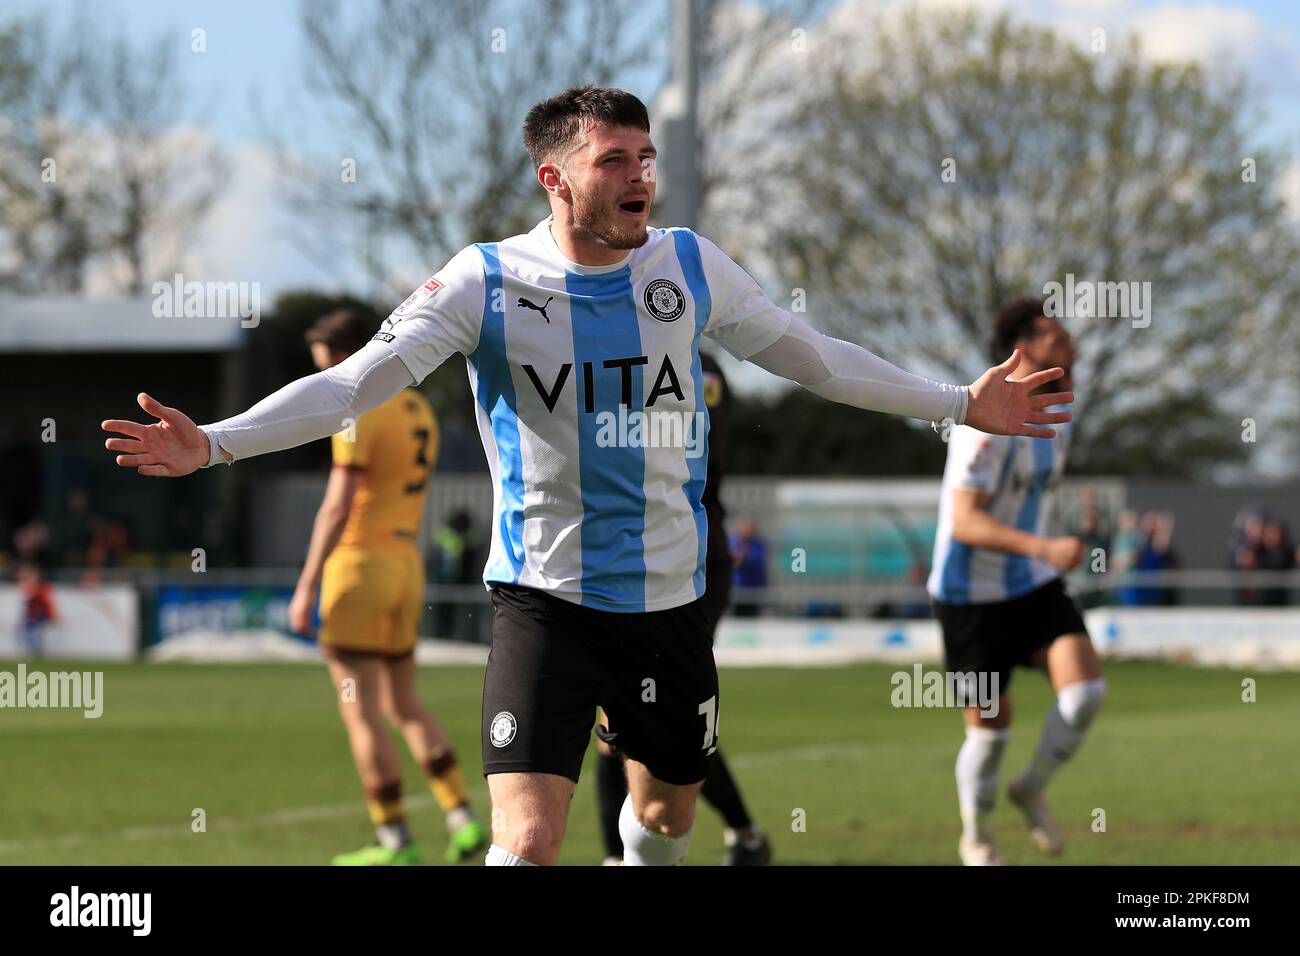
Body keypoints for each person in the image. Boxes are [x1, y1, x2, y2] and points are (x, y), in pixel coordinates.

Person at [102, 86, 1071, 866]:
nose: (640, 175)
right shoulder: (483, 282)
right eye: (616, 159)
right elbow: (353, 385)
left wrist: (956, 400)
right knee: (525, 840)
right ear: (555, 179)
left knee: (662, 821)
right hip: (542, 599)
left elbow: (813, 357)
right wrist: (217, 440)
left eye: (645, 157)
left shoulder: (688, 267)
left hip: (668, 600)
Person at [287, 309, 488, 865]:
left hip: (358, 570)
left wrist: (306, 586)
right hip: (405, 567)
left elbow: (338, 504)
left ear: (349, 355)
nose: (324, 380)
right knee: (404, 703)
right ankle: (463, 819)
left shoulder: (357, 408)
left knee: (361, 712)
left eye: (326, 367)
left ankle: (395, 841)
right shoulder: (417, 406)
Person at [927, 297, 1102, 866]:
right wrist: (1046, 546)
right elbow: (966, 520)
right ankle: (976, 838)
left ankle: (1030, 788)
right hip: (970, 595)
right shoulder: (983, 425)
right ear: (1023, 348)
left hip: (1032, 583)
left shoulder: (1058, 416)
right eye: (1057, 337)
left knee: (1085, 695)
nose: (1070, 346)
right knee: (990, 732)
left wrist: (1046, 550)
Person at [591, 350, 771, 865]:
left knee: (640, 719)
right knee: (641, 716)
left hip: (681, 555)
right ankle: (744, 835)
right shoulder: (698, 364)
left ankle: (623, 855)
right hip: (668, 554)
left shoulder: (658, 360)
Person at [729, 515, 768, 618]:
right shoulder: (731, 542)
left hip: (753, 591)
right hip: (735, 591)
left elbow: (757, 560)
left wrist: (744, 558)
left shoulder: (759, 545)